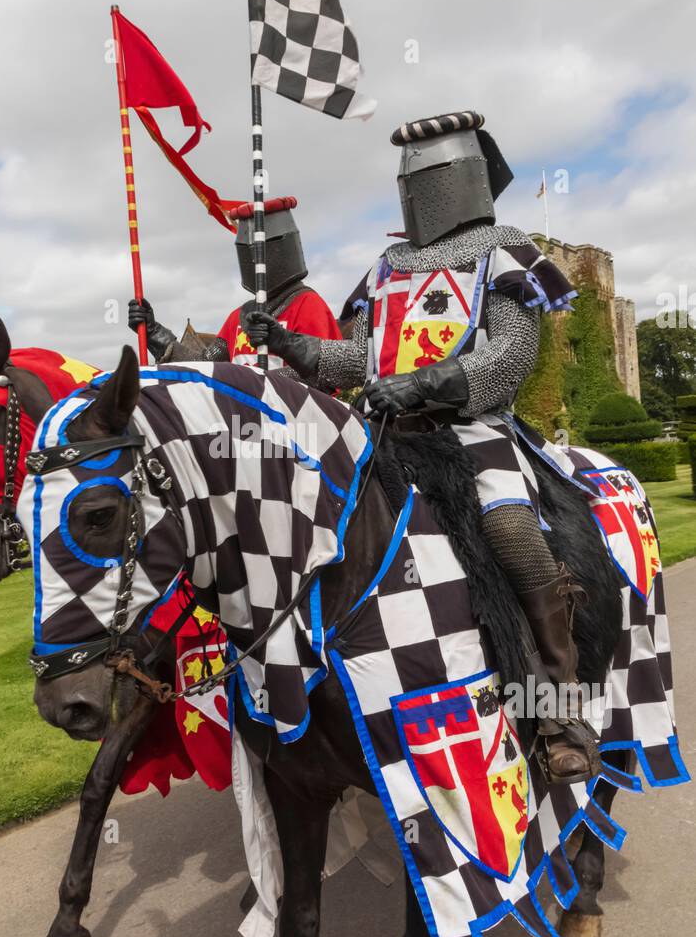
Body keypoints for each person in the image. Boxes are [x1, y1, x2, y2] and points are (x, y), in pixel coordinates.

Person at [243, 110, 598, 786]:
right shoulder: (387, 268)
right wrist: (296, 346)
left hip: (474, 432)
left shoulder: (505, 249)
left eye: (425, 175)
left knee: (515, 533)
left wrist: (430, 380)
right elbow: (360, 358)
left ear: (459, 176)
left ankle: (558, 708)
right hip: (391, 440)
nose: (414, 189)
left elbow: (511, 356)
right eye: (407, 177)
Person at [128, 196, 341, 379]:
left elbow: (325, 374)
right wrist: (153, 331)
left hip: (299, 423)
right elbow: (203, 367)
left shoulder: (308, 306)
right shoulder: (238, 318)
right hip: (245, 423)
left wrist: (252, 382)